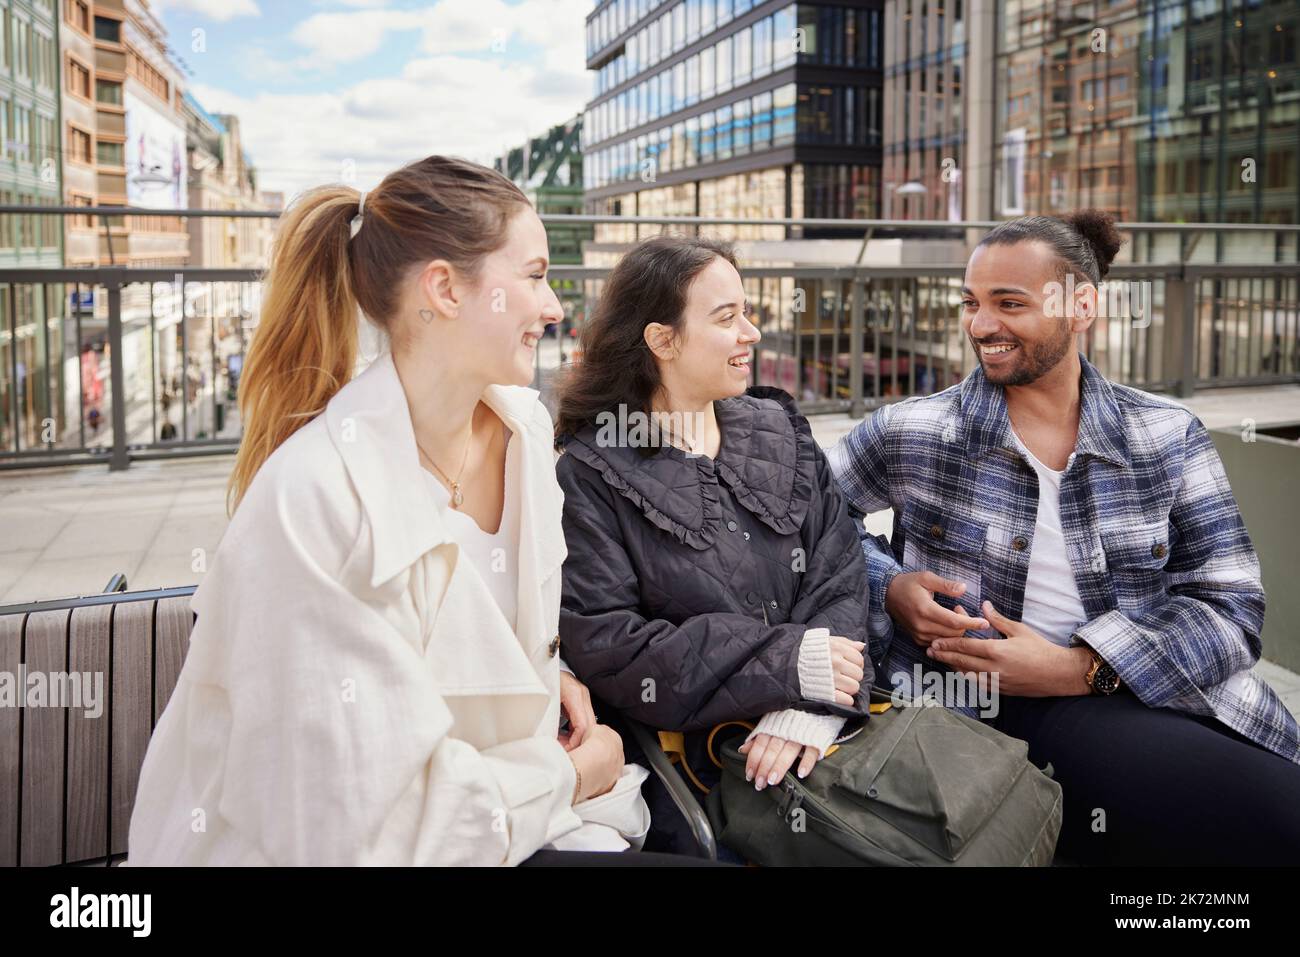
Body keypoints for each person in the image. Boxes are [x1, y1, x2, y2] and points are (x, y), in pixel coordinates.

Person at [126, 155, 654, 866]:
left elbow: (464, 626)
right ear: (443, 288)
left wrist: (534, 674)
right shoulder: (313, 502)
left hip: (503, 827)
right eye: (533, 276)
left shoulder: (526, 434)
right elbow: (368, 833)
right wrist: (571, 773)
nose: (555, 306)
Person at [828, 210, 1300, 865]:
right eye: (972, 303)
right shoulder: (912, 429)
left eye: (1009, 303)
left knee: (1277, 814)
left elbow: (1232, 608)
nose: (981, 325)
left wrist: (1082, 668)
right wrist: (890, 586)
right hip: (955, 712)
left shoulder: (1166, 436)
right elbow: (814, 521)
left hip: (1123, 697)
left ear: (1081, 306)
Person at [553, 235, 872, 854]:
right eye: (726, 318)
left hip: (825, 729)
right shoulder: (592, 473)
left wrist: (814, 704)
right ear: (662, 340)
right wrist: (788, 665)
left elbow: (840, 571)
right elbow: (610, 647)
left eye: (746, 312)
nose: (751, 332)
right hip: (700, 766)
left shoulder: (778, 429)